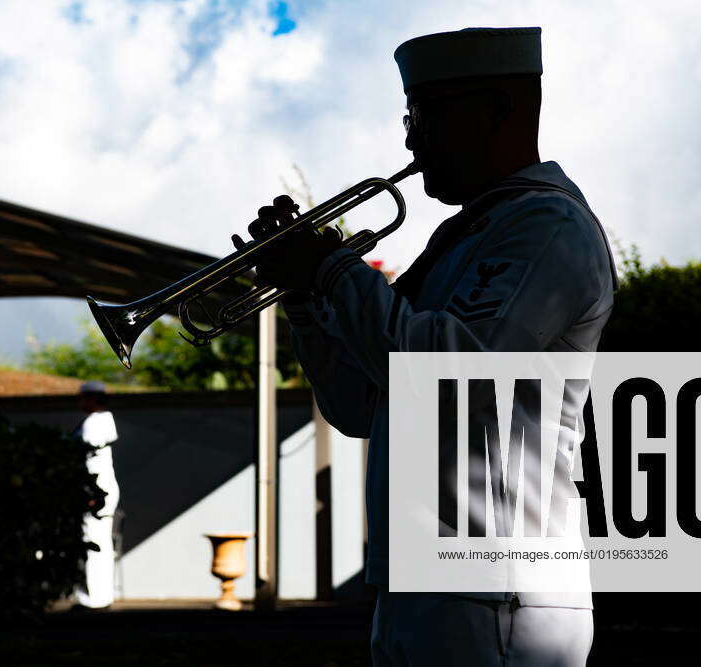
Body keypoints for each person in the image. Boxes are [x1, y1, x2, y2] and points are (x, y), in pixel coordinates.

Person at [255, 27, 616, 666]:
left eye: (425, 115)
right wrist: (307, 298)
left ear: (498, 110)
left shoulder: (546, 225)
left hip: (499, 588)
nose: (410, 138)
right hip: (425, 583)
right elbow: (357, 406)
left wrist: (333, 269)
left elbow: (455, 377)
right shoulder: (468, 236)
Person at [72, 380, 120, 609]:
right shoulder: (102, 420)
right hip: (100, 489)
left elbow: (90, 460)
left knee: (94, 543)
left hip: (96, 490)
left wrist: (92, 493)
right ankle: (99, 596)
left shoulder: (95, 422)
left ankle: (94, 599)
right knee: (99, 542)